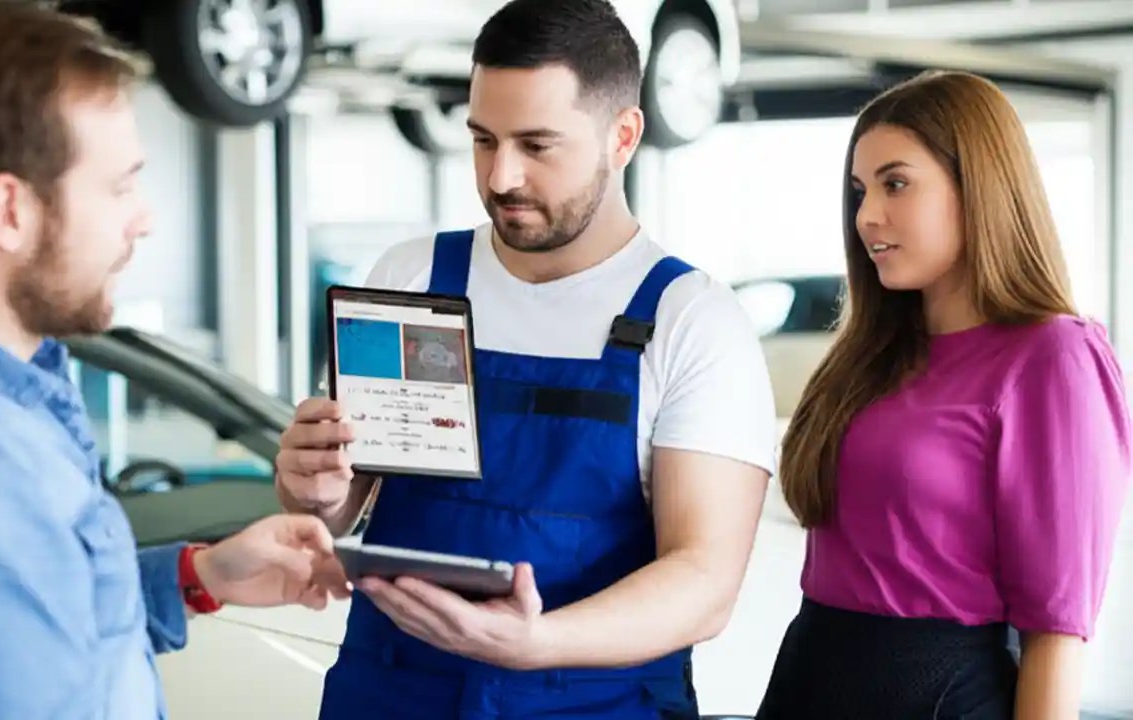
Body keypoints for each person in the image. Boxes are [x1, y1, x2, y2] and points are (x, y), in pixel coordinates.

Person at [275, 0, 777, 717]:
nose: (501, 176)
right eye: (484, 139)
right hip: (388, 691)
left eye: (537, 145)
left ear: (623, 136)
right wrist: (312, 488)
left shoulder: (691, 322)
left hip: (593, 703)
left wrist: (532, 644)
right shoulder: (408, 278)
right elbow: (337, 506)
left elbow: (703, 583)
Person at [0, 3, 349, 719]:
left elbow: (43, 628)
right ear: (10, 212)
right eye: (119, 186)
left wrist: (197, 575)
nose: (144, 217)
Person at [755, 70, 1132, 719]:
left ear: (977, 188)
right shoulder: (870, 355)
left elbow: (1056, 631)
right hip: (809, 674)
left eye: (895, 183)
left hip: (935, 695)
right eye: (859, 190)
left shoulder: (1052, 356)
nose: (867, 215)